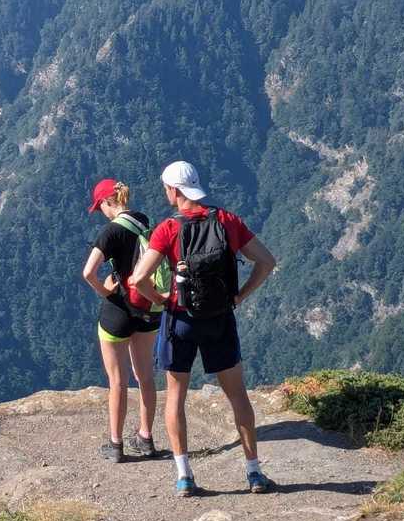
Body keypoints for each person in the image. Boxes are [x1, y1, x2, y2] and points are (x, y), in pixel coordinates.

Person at [130, 160, 278, 497]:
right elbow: (266, 261)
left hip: (180, 321)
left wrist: (164, 298)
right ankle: (254, 472)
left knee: (176, 397)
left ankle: (184, 476)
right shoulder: (225, 221)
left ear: (173, 191)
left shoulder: (168, 228)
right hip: (220, 318)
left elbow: (138, 279)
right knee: (237, 395)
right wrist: (239, 296)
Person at [81, 178, 162, 463]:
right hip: (148, 306)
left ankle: (115, 445)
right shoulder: (144, 220)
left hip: (118, 312)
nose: (100, 211)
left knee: (118, 380)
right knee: (145, 376)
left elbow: (88, 272)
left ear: (106, 202)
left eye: (99, 206)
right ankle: (146, 438)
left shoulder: (110, 232)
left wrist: (106, 292)